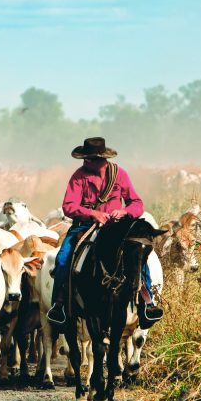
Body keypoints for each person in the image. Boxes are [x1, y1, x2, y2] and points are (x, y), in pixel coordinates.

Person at [47, 137, 163, 328]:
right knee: (62, 259)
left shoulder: (120, 175)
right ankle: (59, 305)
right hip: (85, 226)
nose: (85, 162)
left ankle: (146, 303)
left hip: (117, 227)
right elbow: (68, 206)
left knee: (138, 256)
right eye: (85, 158)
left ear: (101, 159)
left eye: (89, 158)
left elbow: (137, 203)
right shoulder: (79, 176)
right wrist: (92, 213)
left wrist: (124, 211)